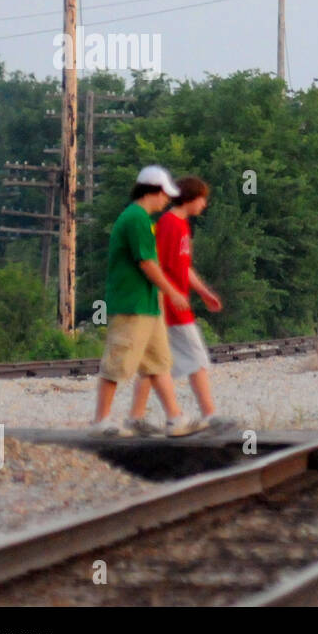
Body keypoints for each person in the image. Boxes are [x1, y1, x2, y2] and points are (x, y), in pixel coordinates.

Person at [90, 166, 207, 438]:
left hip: (148, 304)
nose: (167, 200)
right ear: (153, 191)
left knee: (158, 363)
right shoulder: (136, 219)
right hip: (131, 304)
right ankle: (101, 421)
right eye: (165, 194)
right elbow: (147, 262)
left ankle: (175, 419)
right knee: (117, 362)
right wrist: (173, 291)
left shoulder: (143, 219)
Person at [126, 175, 232, 435]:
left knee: (156, 365)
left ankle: (135, 419)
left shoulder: (182, 225)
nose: (204, 205)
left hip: (174, 305)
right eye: (202, 199)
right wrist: (163, 299)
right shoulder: (169, 225)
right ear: (191, 198)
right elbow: (155, 264)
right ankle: (211, 415)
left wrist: (204, 292)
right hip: (169, 307)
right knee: (197, 358)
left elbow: (184, 268)